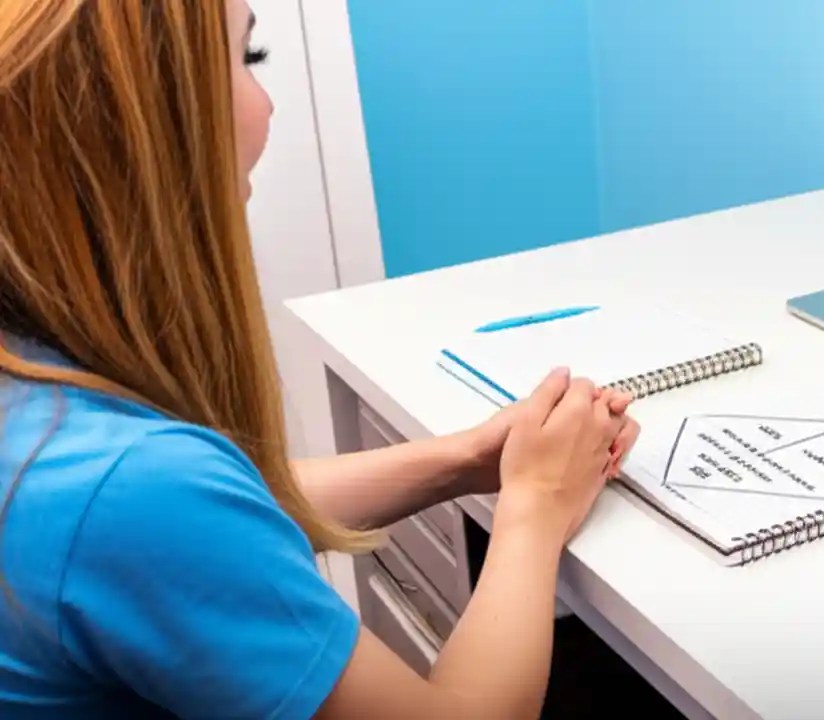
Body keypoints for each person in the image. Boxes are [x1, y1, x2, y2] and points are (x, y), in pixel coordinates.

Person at [0, 1, 650, 718]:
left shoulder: (43, 412)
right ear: (137, 128)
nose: (266, 104)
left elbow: (226, 509)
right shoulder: (128, 492)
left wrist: (465, 460)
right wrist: (535, 508)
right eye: (248, 61)